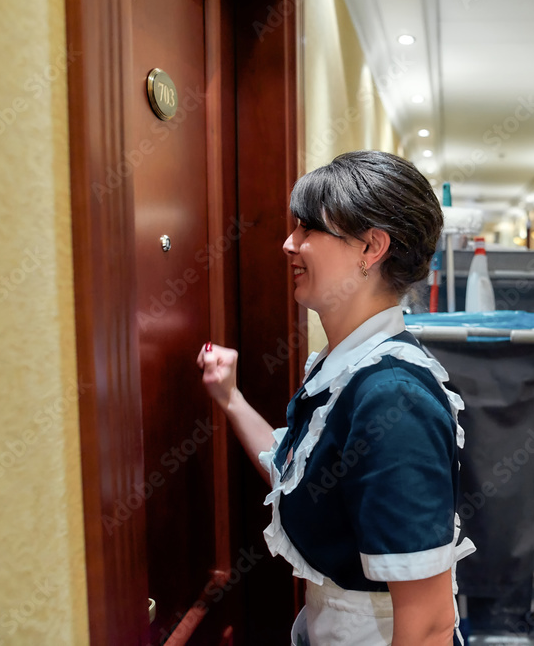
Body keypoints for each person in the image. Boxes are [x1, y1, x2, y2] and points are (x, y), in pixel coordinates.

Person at [197, 150, 474, 645]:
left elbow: (430, 625)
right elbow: (301, 473)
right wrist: (230, 397)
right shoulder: (349, 367)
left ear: (371, 247)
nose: (289, 243)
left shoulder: (392, 397)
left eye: (307, 229)